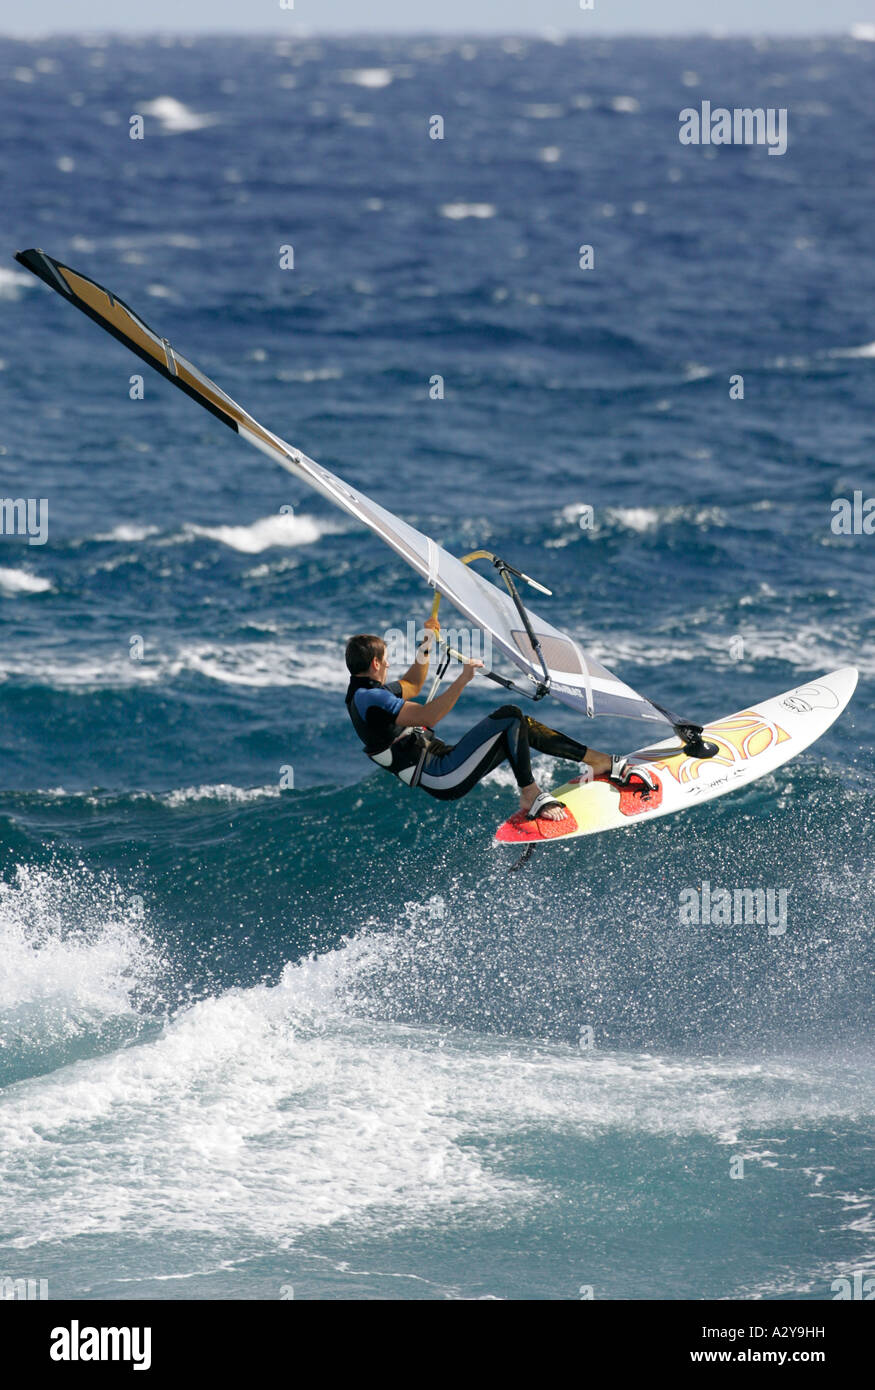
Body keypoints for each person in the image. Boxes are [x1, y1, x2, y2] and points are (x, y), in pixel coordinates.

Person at [344, 620, 654, 820]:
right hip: (441, 773)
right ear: (375, 663)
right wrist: (464, 679)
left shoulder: (365, 692)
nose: (387, 666)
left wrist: (426, 645)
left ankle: (597, 761)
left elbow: (412, 686)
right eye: (385, 661)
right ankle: (530, 793)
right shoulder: (373, 698)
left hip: (441, 766)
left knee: (519, 725)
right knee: (508, 717)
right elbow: (428, 714)